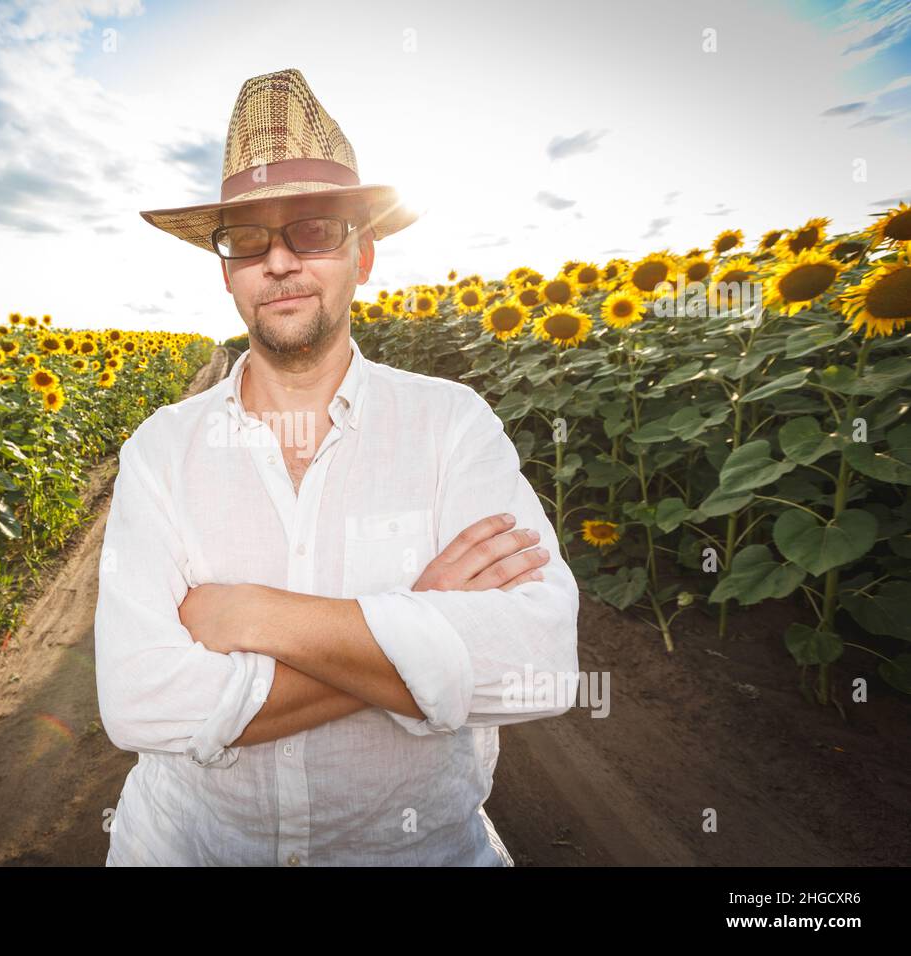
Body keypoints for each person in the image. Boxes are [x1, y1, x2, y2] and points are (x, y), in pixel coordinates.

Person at [95, 67, 579, 866]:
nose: (278, 260)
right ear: (226, 272)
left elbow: (536, 666)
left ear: (365, 255)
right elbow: (141, 703)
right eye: (247, 240)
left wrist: (253, 615)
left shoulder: (451, 424)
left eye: (314, 230)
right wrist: (416, 616)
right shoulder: (160, 449)